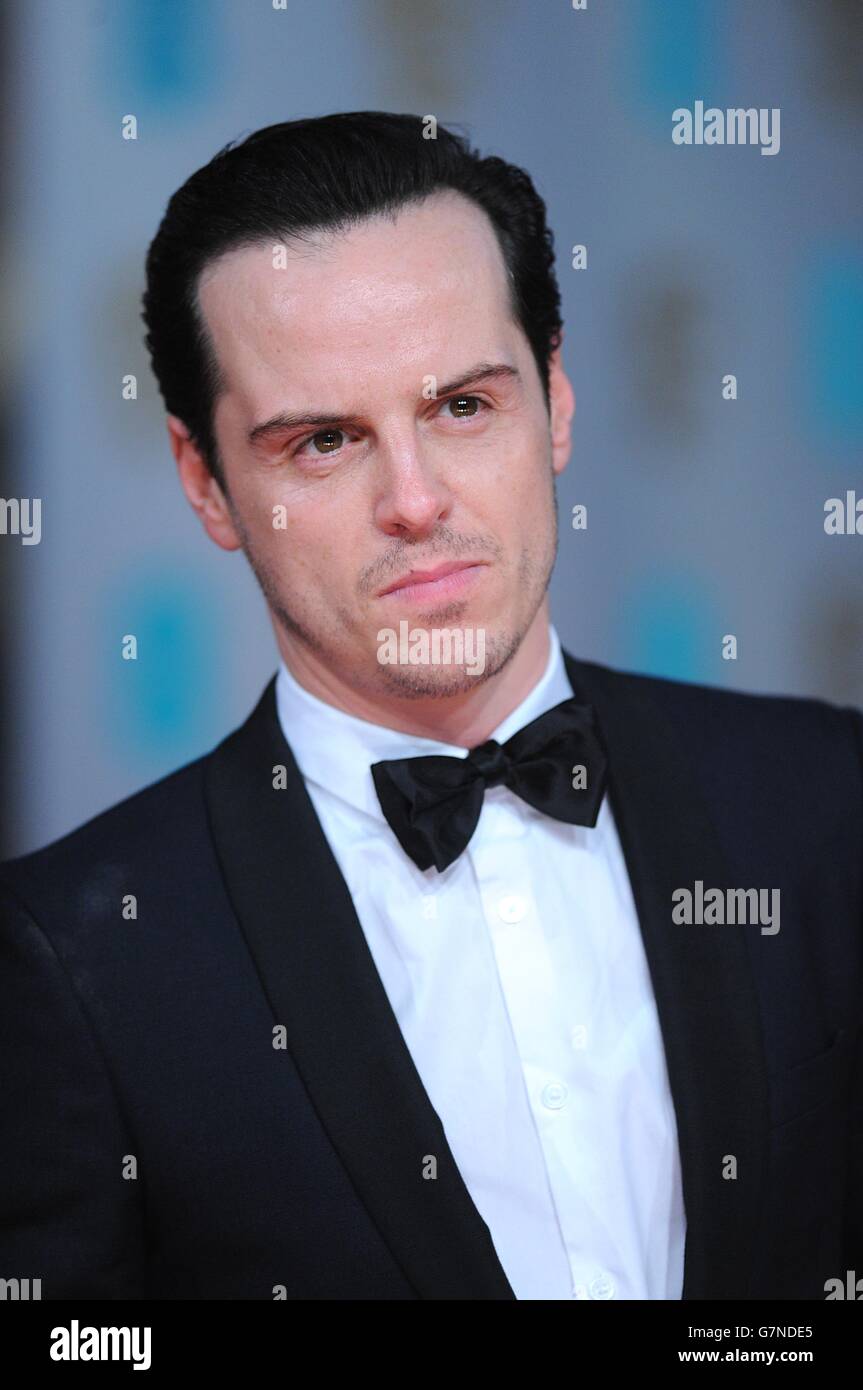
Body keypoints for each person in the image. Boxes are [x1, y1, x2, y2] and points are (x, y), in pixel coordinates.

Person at [0, 112, 860, 1301]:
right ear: (206, 482)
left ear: (553, 401)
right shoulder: (72, 954)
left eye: (462, 406)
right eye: (324, 440)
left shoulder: (825, 804)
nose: (414, 500)